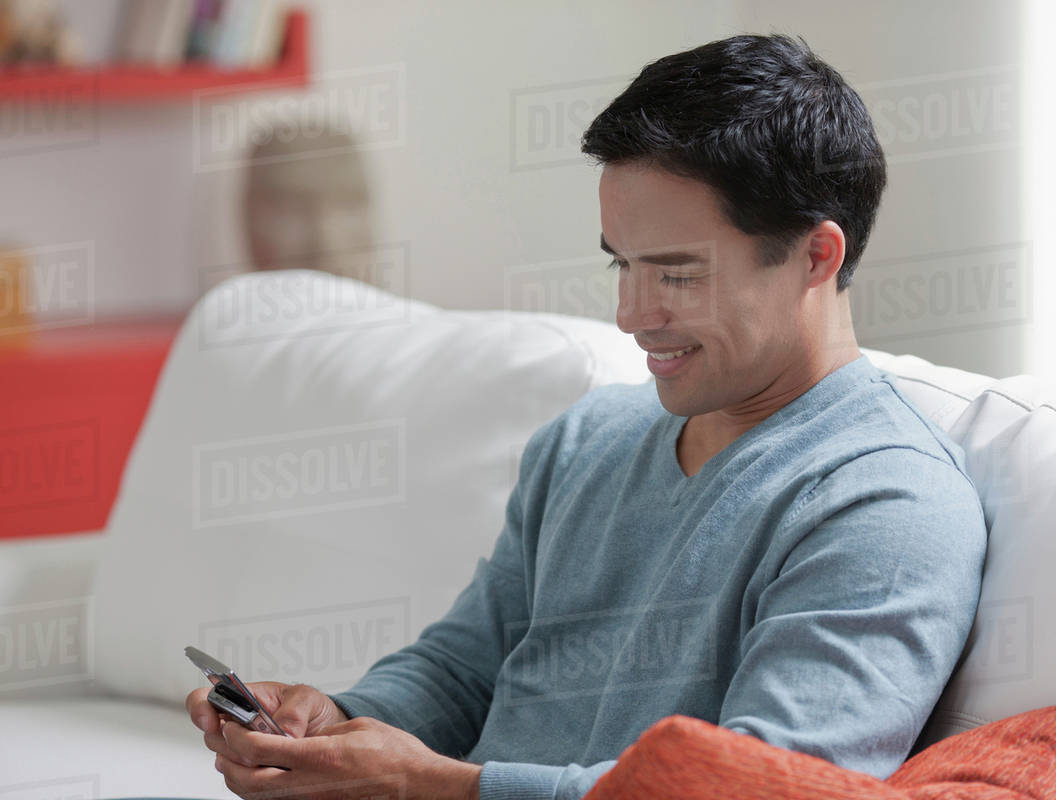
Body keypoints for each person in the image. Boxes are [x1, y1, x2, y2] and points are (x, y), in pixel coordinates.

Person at [187, 33, 987, 800]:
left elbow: (758, 789)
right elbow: (465, 668)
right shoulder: (588, 439)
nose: (631, 315)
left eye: (675, 273)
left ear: (816, 256)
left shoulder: (889, 507)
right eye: (622, 264)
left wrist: (433, 787)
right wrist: (336, 723)